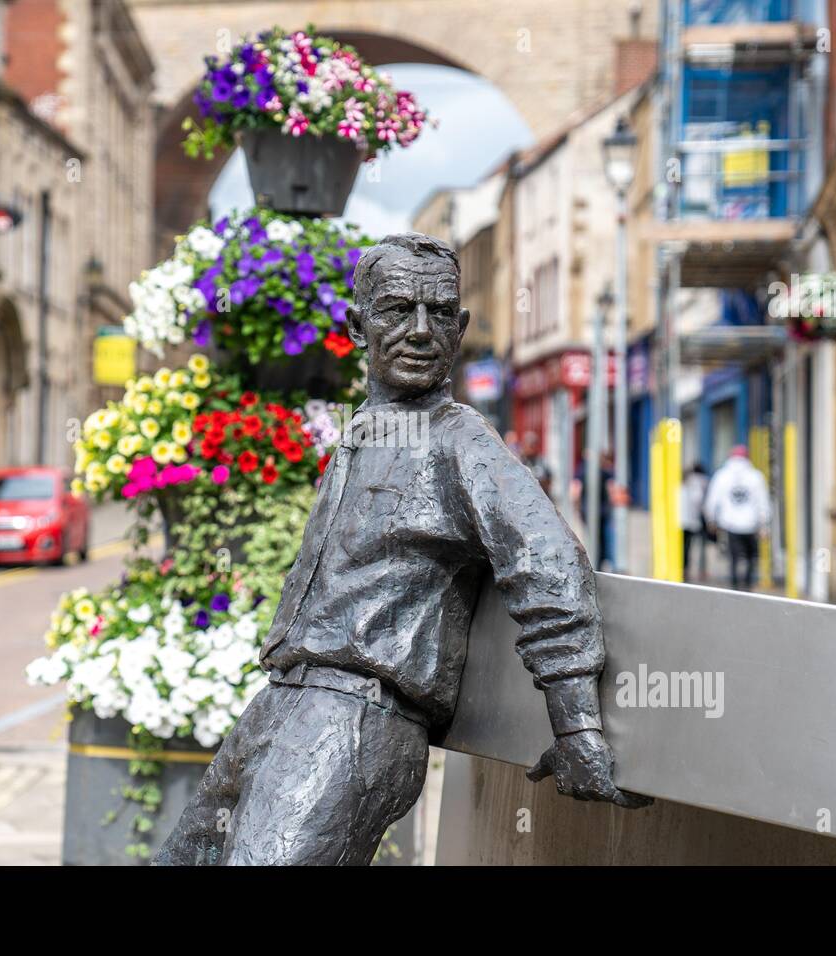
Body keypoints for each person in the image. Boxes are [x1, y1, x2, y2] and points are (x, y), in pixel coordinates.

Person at [156, 233, 647, 867]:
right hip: (282, 705)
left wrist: (575, 724)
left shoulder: (460, 441)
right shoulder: (365, 427)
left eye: (439, 313)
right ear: (357, 327)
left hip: (358, 718)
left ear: (461, 326)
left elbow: (547, 564)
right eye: (396, 311)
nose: (420, 331)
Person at [703, 445, 771, 591]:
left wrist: (711, 520)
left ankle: (734, 585)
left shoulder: (722, 475)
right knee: (751, 556)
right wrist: (764, 524)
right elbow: (763, 501)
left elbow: (712, 500)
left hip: (730, 523)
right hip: (751, 524)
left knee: (733, 557)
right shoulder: (756, 476)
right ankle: (747, 585)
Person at [678, 463, 709, 582]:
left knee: (685, 548)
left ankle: (685, 570)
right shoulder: (699, 483)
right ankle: (700, 571)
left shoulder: (678, 485)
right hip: (693, 520)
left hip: (682, 521)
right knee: (698, 547)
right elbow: (699, 500)